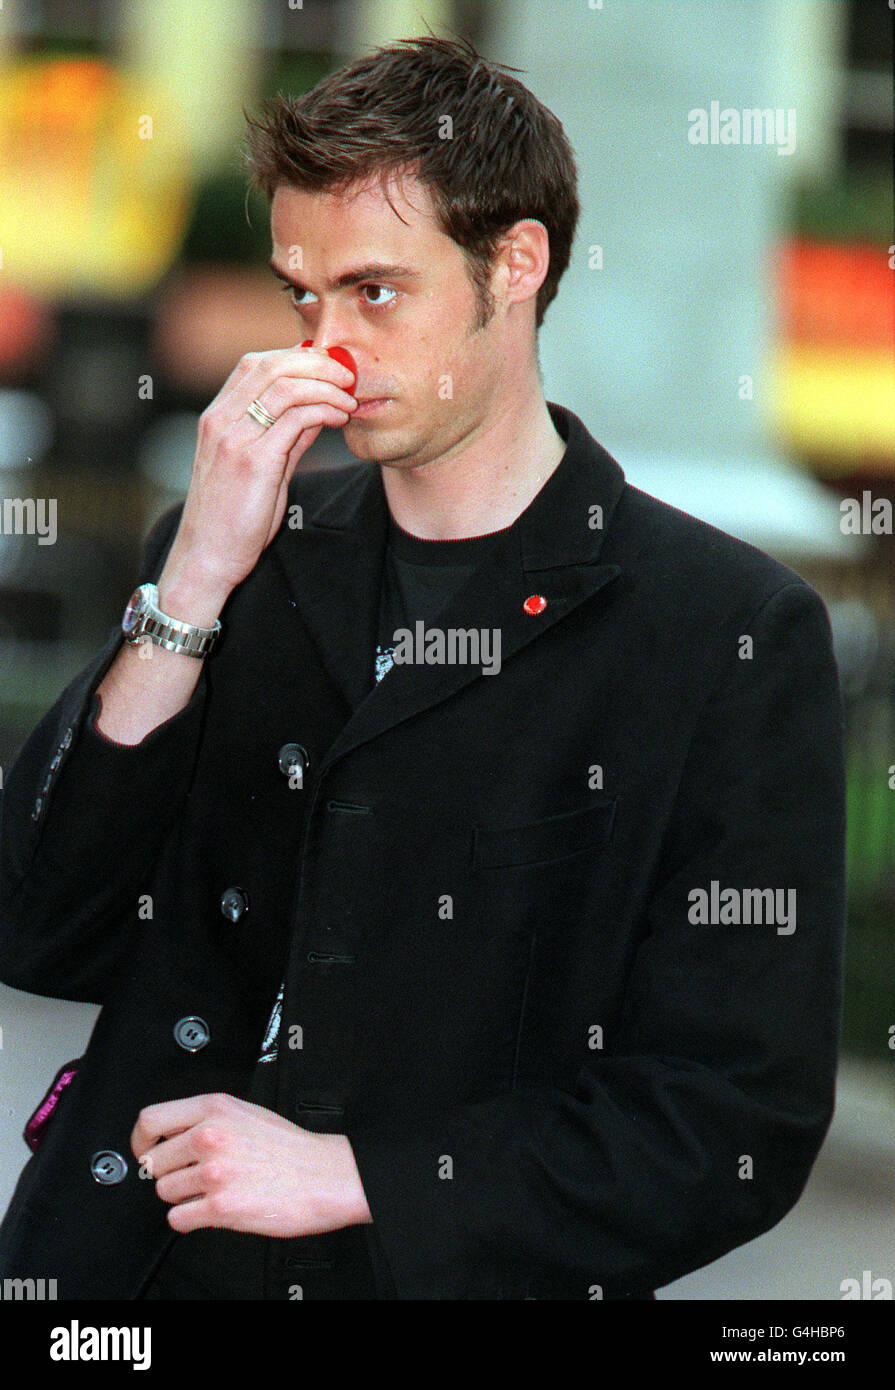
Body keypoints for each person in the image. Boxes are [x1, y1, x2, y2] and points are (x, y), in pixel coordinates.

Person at [0, 35, 845, 1300]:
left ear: (515, 264)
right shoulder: (236, 558)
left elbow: (730, 1123)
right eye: (303, 294)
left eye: (375, 293)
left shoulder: (722, 629)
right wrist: (187, 594)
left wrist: (354, 1176)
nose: (326, 352)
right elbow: (40, 923)